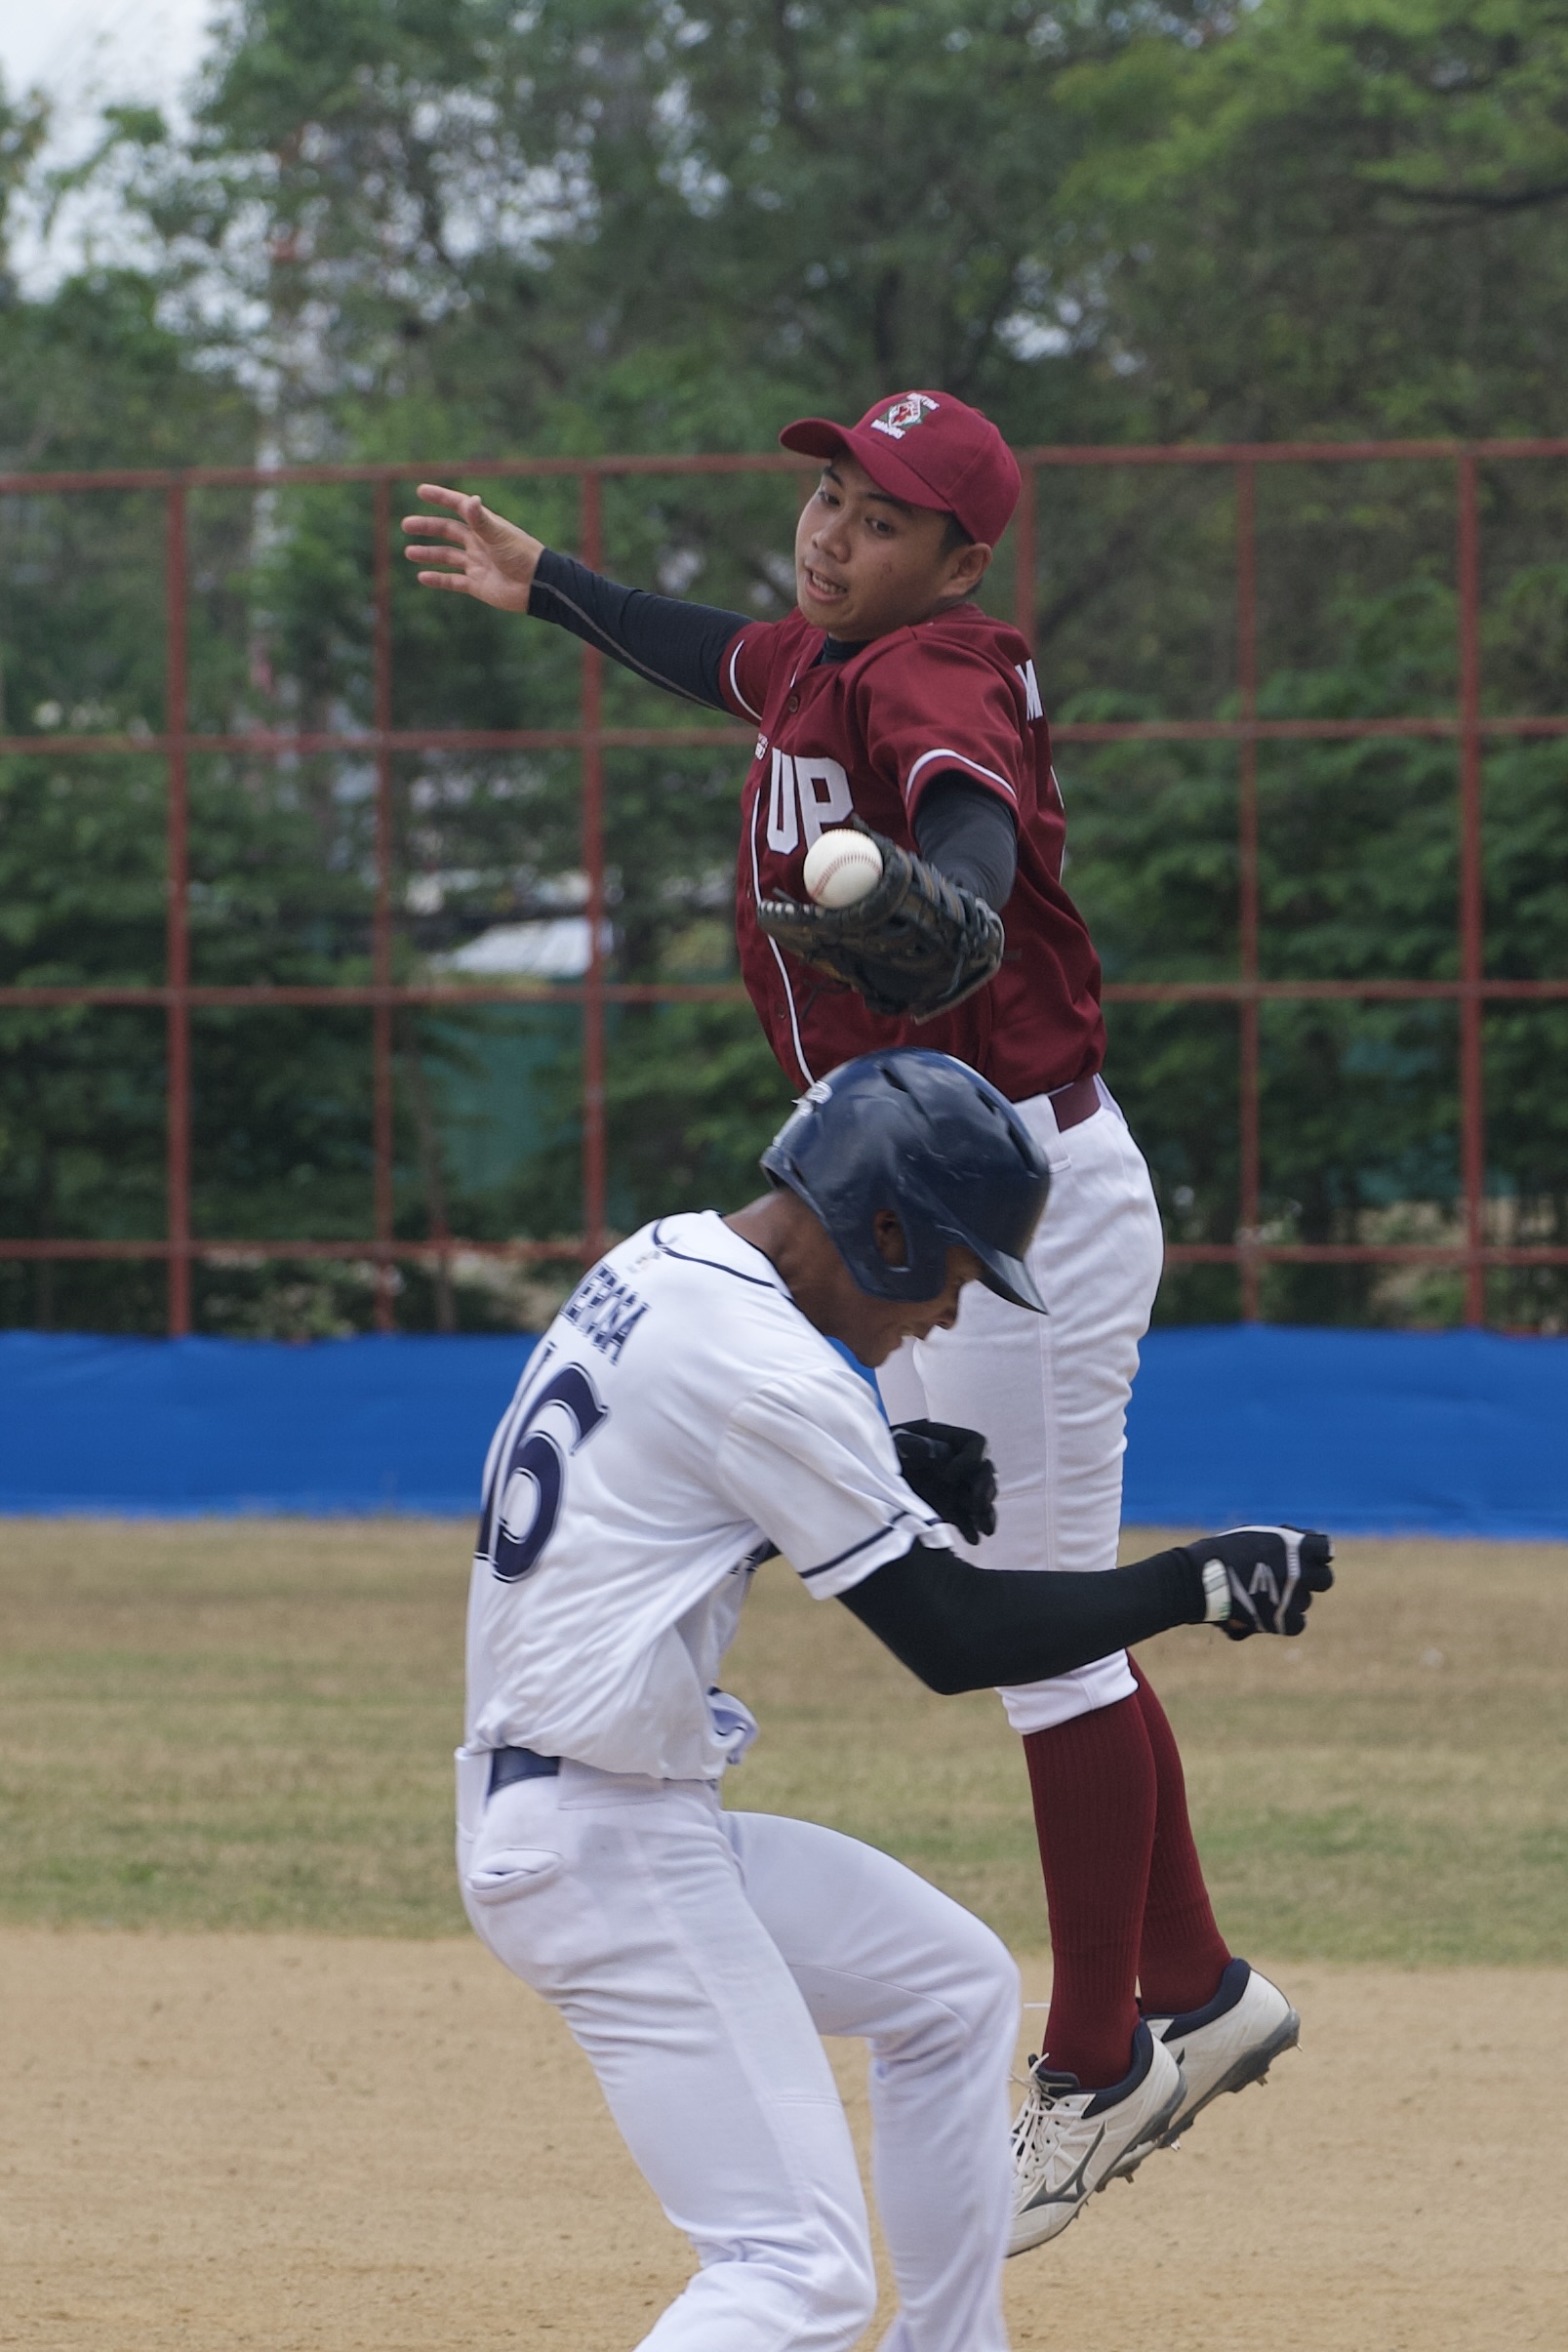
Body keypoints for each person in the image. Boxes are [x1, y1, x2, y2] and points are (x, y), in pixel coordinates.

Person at [407, 392, 1302, 2251]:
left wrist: (947, 907)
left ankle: (1098, 2056)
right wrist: (542, 581)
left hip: (1003, 1211)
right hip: (931, 1202)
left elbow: (965, 811)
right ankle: (1198, 1987)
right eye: (827, 494)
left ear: (959, 562)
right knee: (1041, 1598)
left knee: (1042, 1631)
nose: (833, 534)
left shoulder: (935, 667)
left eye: (882, 519)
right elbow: (701, 647)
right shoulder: (820, 662)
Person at [456, 1047, 1333, 2352]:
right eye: (956, 1272)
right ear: (881, 1226)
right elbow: (955, 1634)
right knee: (792, 2276)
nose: (943, 1319)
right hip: (602, 1848)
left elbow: (664, 1490)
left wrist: (885, 1459)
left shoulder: (666, 1257)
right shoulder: (775, 1371)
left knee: (956, 1989)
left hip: (606, 1813)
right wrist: (1191, 1583)